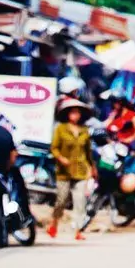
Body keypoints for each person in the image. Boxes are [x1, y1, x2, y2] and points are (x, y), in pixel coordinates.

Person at [49, 99, 95, 241]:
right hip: (64, 172)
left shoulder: (84, 131)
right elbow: (54, 148)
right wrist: (61, 158)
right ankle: (54, 223)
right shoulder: (61, 129)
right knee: (61, 200)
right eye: (73, 112)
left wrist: (92, 168)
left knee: (80, 201)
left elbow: (88, 152)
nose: (76, 115)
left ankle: (77, 230)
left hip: (80, 170)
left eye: (78, 113)